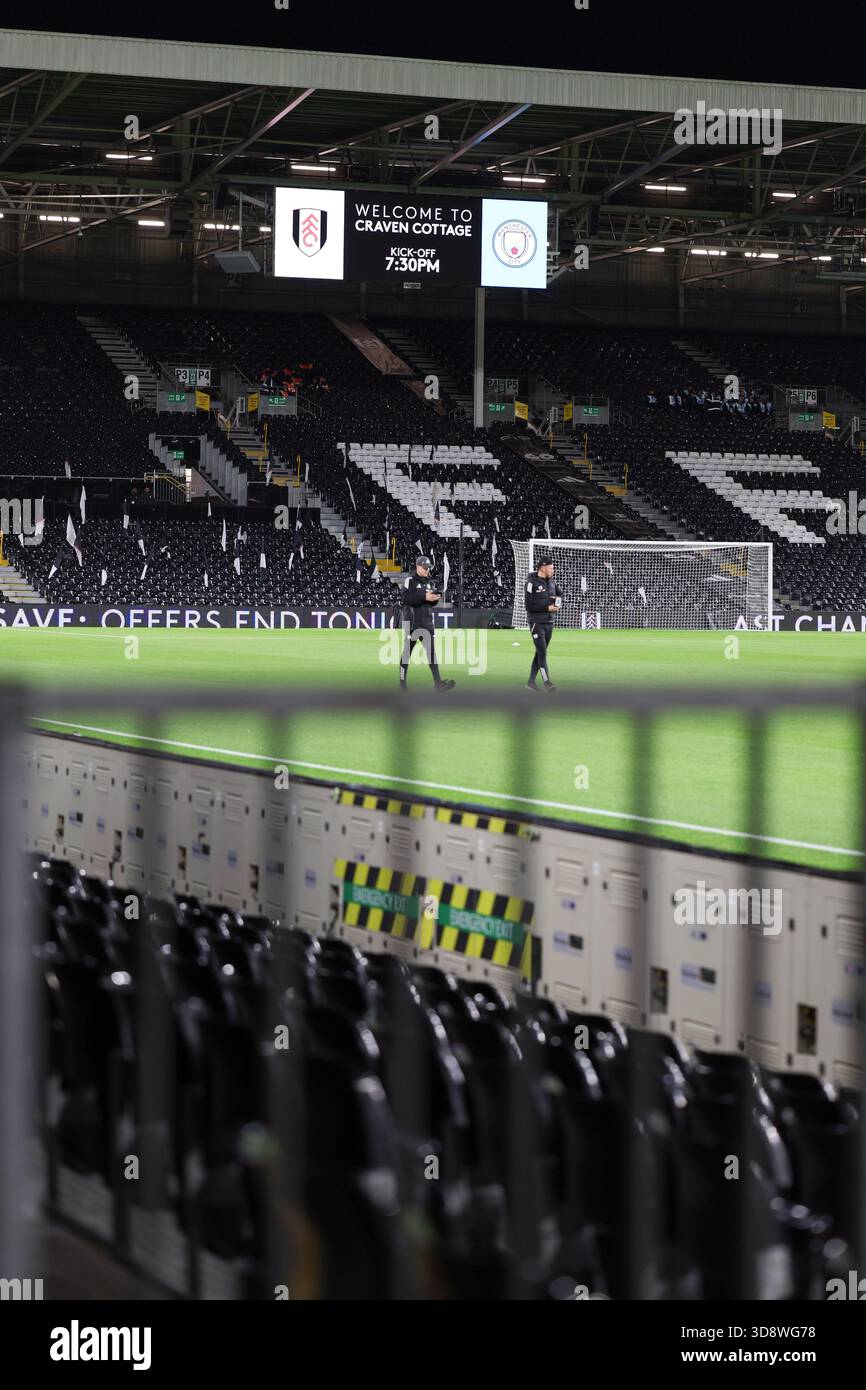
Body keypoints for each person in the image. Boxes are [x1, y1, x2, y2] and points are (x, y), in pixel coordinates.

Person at [399, 555, 456, 693]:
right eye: (425, 568)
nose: (427, 570)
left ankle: (438, 684)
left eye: (428, 568)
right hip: (412, 623)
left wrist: (435, 599)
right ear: (417, 566)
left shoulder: (429, 581)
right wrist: (425, 597)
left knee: (431, 654)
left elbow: (429, 602)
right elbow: (405, 599)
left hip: (427, 623)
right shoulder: (409, 580)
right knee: (407, 653)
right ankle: (402, 685)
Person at [524, 554, 562, 693]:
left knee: (540, 652)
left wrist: (557, 604)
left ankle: (530, 683)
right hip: (536, 622)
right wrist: (547, 608)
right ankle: (547, 683)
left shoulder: (551, 582)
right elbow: (529, 607)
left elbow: (560, 593)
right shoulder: (531, 583)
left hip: (549, 622)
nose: (553, 570)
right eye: (551, 568)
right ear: (543, 568)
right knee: (542, 652)